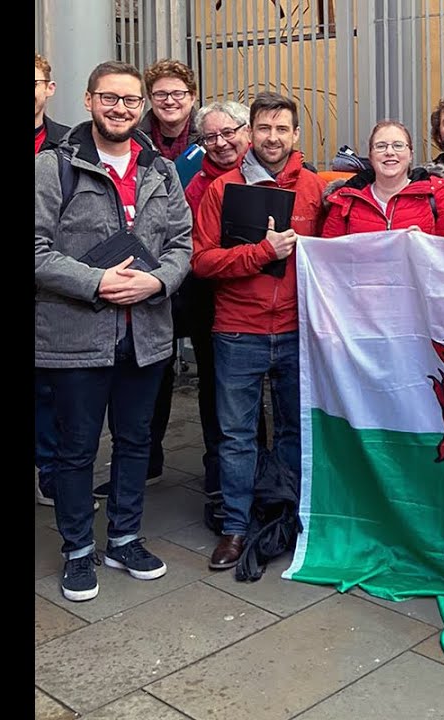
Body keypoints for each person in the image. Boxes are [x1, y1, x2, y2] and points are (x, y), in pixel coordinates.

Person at [35, 60, 194, 602]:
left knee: (135, 442)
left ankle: (124, 537)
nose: (120, 108)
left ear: (140, 107)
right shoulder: (52, 166)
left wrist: (155, 283)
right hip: (76, 335)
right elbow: (36, 250)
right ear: (88, 100)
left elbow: (182, 245)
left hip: (145, 334)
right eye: (110, 98)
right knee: (76, 450)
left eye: (130, 100)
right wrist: (98, 280)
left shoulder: (160, 170)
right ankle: (78, 550)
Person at [191, 92, 327, 571]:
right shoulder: (220, 189)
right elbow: (202, 261)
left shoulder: (313, 188)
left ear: (295, 134)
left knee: (294, 429)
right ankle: (234, 525)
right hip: (237, 331)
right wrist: (261, 254)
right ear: (251, 133)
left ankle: (286, 515)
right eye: (264, 128)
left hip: (295, 330)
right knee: (236, 436)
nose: (273, 137)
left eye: (282, 129)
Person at [98, 59, 202, 502]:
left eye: (178, 93)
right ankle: (146, 461)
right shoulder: (134, 141)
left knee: (214, 376)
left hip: (199, 276)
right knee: (149, 372)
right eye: (160, 94)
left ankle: (219, 474)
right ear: (148, 101)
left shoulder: (211, 138)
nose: (169, 101)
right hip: (145, 277)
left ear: (192, 98)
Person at [182, 100, 254, 531]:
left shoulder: (272, 170)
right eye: (211, 137)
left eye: (229, 132)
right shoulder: (196, 185)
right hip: (213, 301)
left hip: (272, 304)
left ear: (247, 131)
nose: (222, 143)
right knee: (217, 391)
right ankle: (221, 481)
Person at [35, 53, 74, 508]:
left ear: (50, 88)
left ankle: (50, 472)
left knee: (48, 386)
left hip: (50, 277)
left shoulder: (69, 145)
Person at [321, 120, 444, 237]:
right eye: (381, 146)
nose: (390, 152)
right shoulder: (346, 199)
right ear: (370, 156)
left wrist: (426, 245)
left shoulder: (436, 195)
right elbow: (330, 256)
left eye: (398, 145)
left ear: (410, 155)